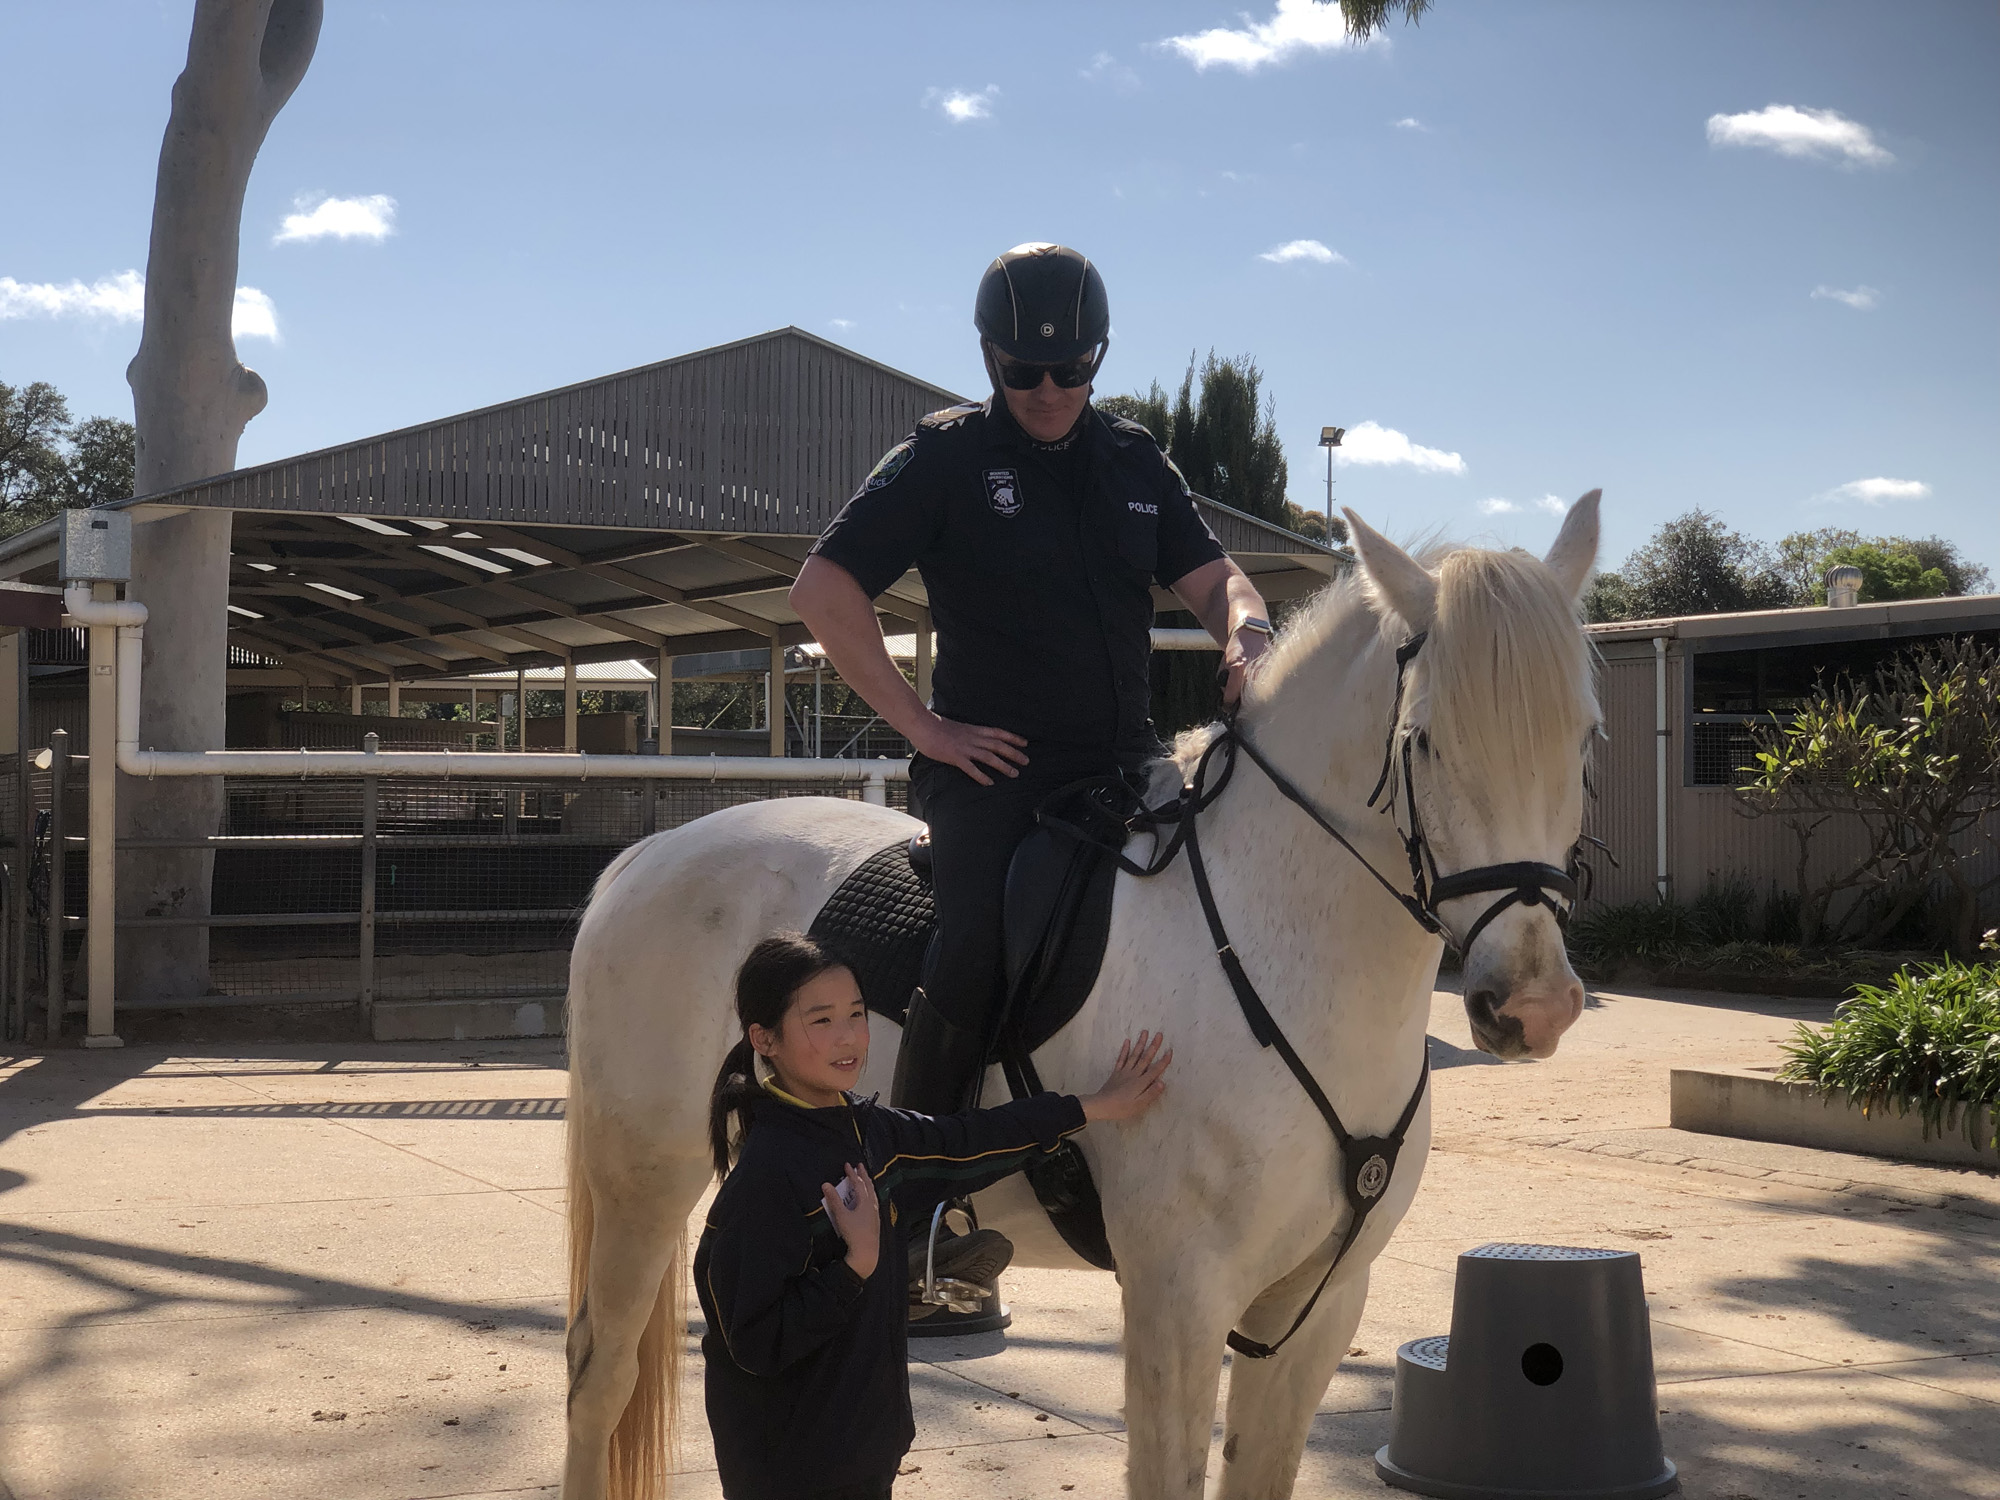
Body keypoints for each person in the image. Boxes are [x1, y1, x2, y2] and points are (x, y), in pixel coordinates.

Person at [789, 241, 1272, 1155]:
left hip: (1125, 766)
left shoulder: (1136, 463)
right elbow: (821, 591)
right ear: (988, 358)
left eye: (1072, 367)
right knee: (971, 951)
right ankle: (917, 1193)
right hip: (993, 777)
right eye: (1023, 369)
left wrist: (1248, 634)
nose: (1049, 389)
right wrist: (926, 729)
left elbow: (1217, 583)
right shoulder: (943, 459)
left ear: (1099, 356)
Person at [696, 932, 1170, 1500]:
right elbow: (753, 1342)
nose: (848, 1037)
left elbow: (968, 1140)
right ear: (763, 1039)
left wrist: (1094, 1106)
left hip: (864, 1454)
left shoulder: (875, 1134)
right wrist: (857, 1266)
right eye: (820, 1021)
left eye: (856, 1013)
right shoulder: (766, 1179)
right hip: (790, 1469)